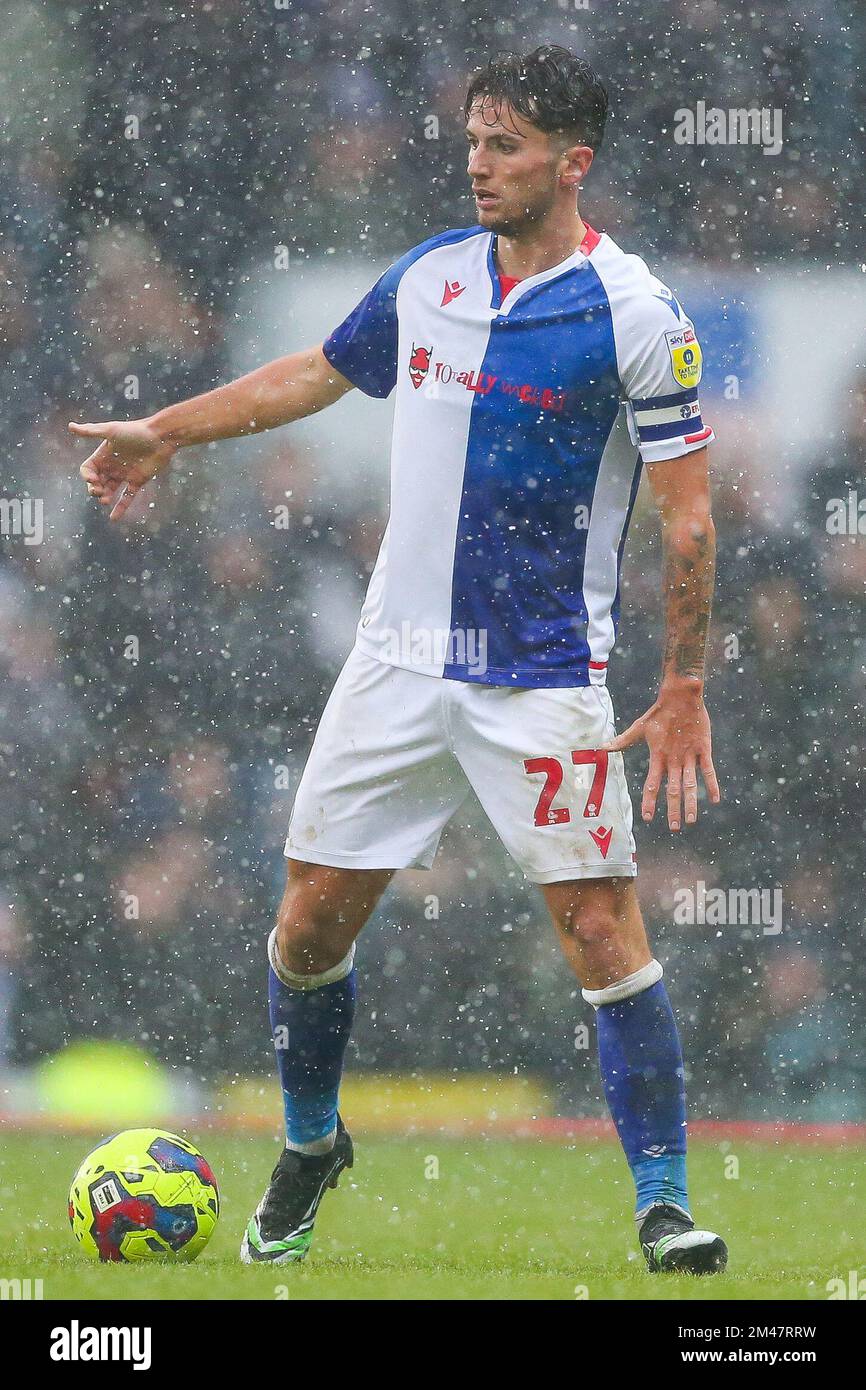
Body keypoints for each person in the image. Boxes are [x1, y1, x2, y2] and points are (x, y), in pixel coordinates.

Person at [71, 45, 726, 1275]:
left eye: (507, 146)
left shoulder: (635, 315)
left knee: (599, 930)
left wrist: (682, 683)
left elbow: (687, 517)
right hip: (394, 663)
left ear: (571, 164)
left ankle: (663, 1204)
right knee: (308, 931)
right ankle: (313, 1143)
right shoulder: (428, 276)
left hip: (538, 678)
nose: (477, 165)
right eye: (473, 140)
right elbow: (315, 373)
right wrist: (167, 429)